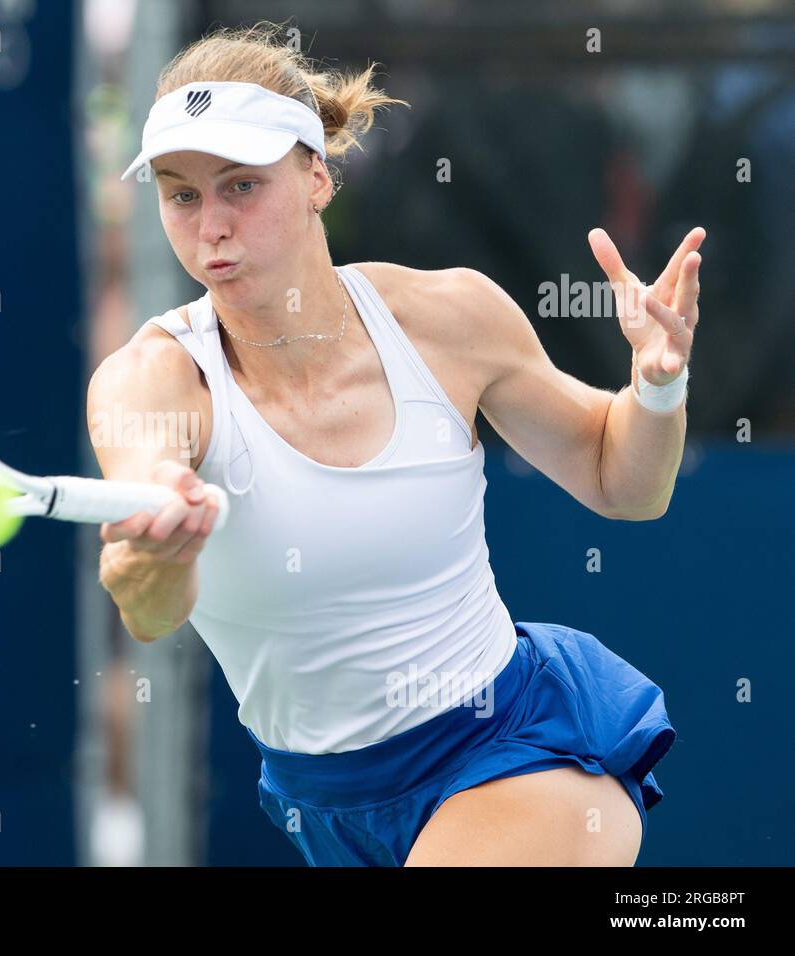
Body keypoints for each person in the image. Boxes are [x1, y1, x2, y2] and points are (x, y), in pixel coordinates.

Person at [87, 23, 692, 866]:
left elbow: (623, 482)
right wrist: (152, 556)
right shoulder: (147, 381)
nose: (211, 225)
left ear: (317, 177)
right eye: (182, 194)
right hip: (323, 801)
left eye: (241, 186)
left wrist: (657, 388)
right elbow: (149, 611)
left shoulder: (450, 318)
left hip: (512, 746)